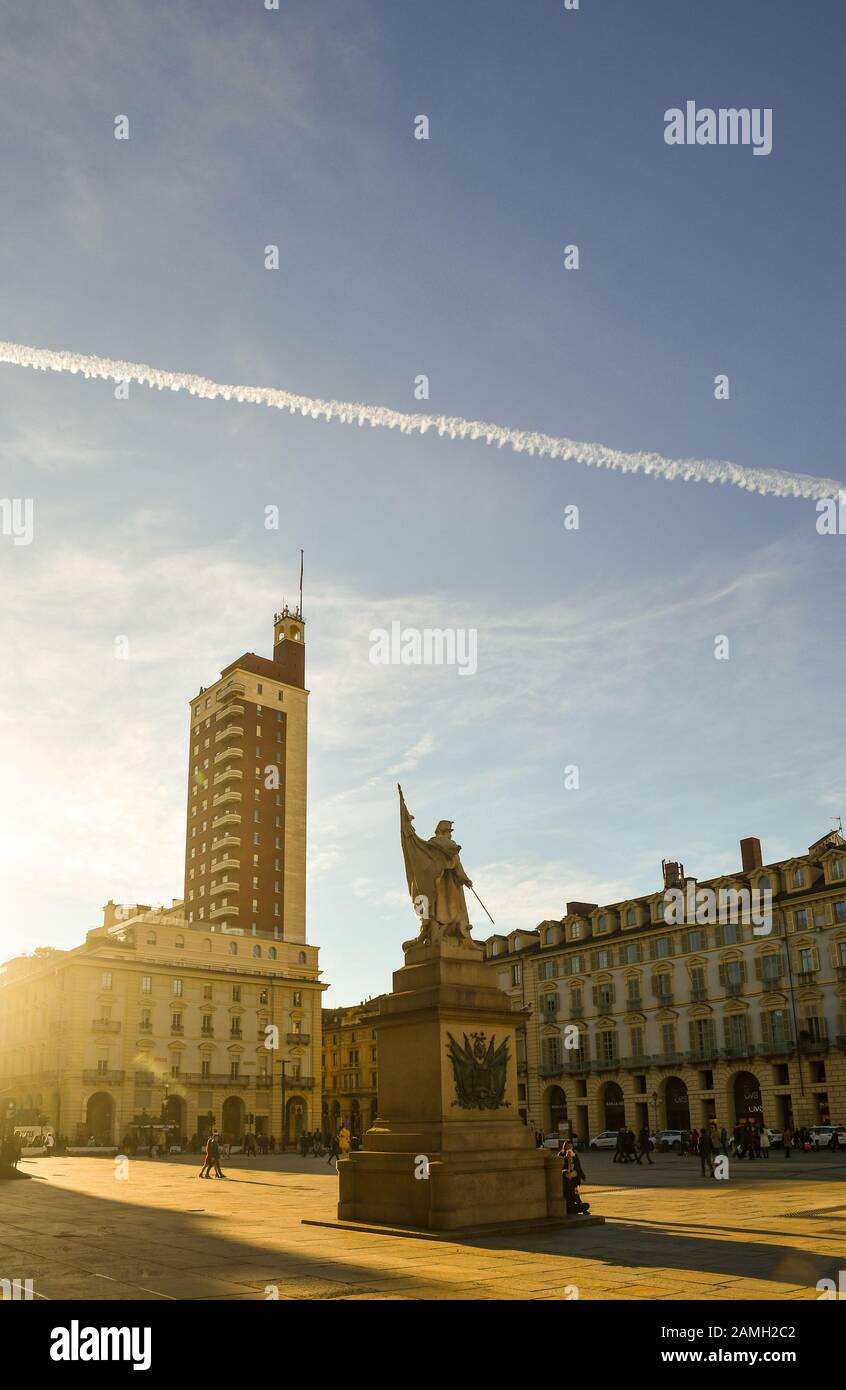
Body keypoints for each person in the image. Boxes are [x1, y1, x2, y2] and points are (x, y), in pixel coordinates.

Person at [559, 1140, 590, 1215]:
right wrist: (566, 1157)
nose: (570, 1147)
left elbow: (578, 1166)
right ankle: (571, 1206)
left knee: (576, 1192)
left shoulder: (574, 1154)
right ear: (565, 1146)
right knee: (569, 1192)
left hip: (574, 1177)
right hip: (566, 1176)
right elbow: (559, 1165)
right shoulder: (561, 1154)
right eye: (568, 1146)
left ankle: (582, 1209)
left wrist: (583, 1176)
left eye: (571, 1146)